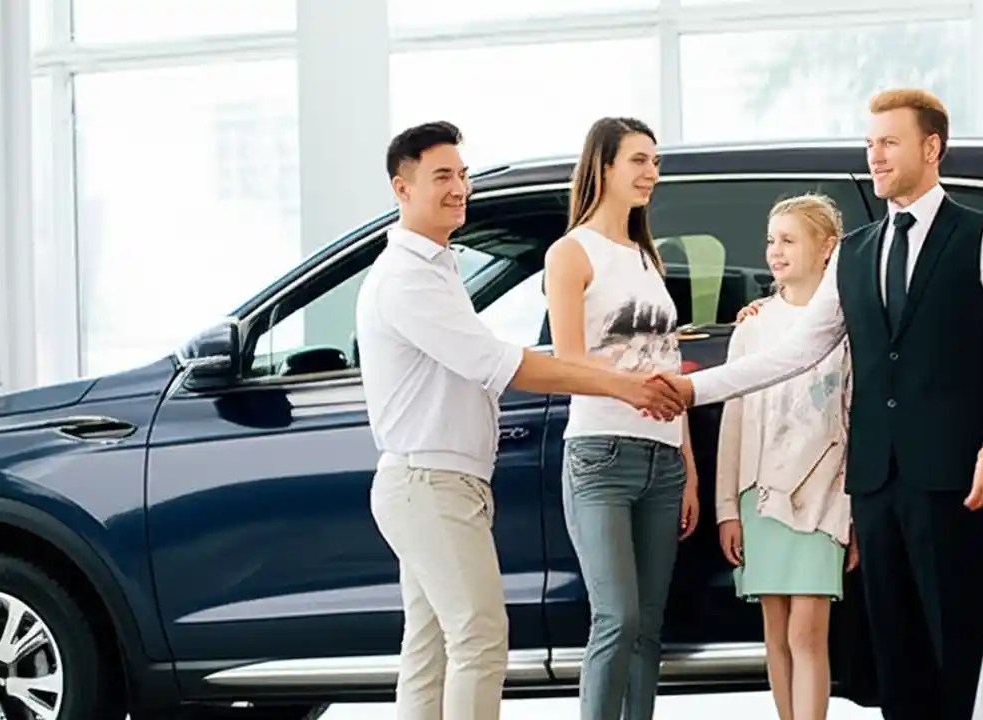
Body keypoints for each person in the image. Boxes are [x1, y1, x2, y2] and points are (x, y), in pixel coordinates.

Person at [658, 89, 983, 719]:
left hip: (955, 477)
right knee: (894, 654)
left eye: (889, 142)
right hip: (876, 482)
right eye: (871, 143)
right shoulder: (856, 251)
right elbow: (799, 350)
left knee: (963, 643)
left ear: (931, 147)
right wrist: (694, 389)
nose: (876, 155)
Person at [355, 121, 685, 720]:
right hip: (429, 483)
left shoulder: (437, 268)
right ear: (402, 189)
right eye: (441, 177)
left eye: (462, 174)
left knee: (428, 651)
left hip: (441, 482)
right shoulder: (406, 277)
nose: (460, 187)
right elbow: (499, 363)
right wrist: (622, 384)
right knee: (480, 639)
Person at [542, 116, 699, 720]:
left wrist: (684, 460)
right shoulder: (571, 252)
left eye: (655, 162)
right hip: (601, 453)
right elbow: (569, 364)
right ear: (603, 165)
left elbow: (668, 359)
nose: (651, 173)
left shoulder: (644, 255)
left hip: (661, 459)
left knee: (651, 625)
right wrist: (634, 391)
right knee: (618, 616)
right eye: (638, 160)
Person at [714, 193, 857, 720]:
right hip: (761, 496)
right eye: (771, 240)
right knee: (775, 629)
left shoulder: (846, 324)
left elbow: (853, 414)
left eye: (789, 240)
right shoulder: (753, 327)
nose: (775, 251)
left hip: (824, 498)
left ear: (827, 248)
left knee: (807, 631)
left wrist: (854, 509)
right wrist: (727, 508)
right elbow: (734, 420)